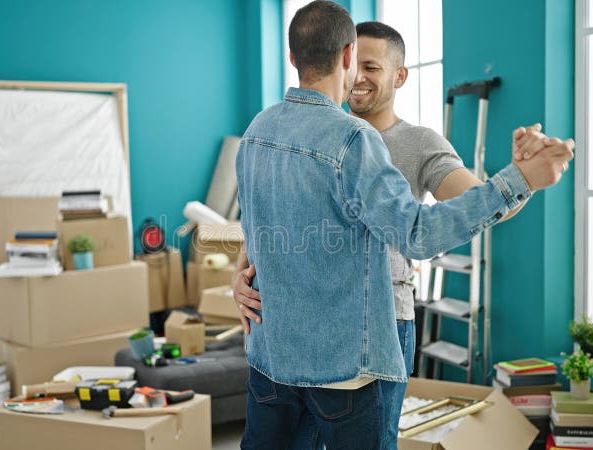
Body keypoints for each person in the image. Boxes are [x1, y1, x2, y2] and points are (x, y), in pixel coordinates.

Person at [234, 2, 573, 448]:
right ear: (346, 56)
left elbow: (477, 204)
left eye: (375, 67)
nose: (360, 78)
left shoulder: (265, 128)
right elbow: (259, 229)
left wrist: (518, 180)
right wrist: (238, 275)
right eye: (361, 64)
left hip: (361, 328)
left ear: (399, 76)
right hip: (343, 358)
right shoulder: (343, 138)